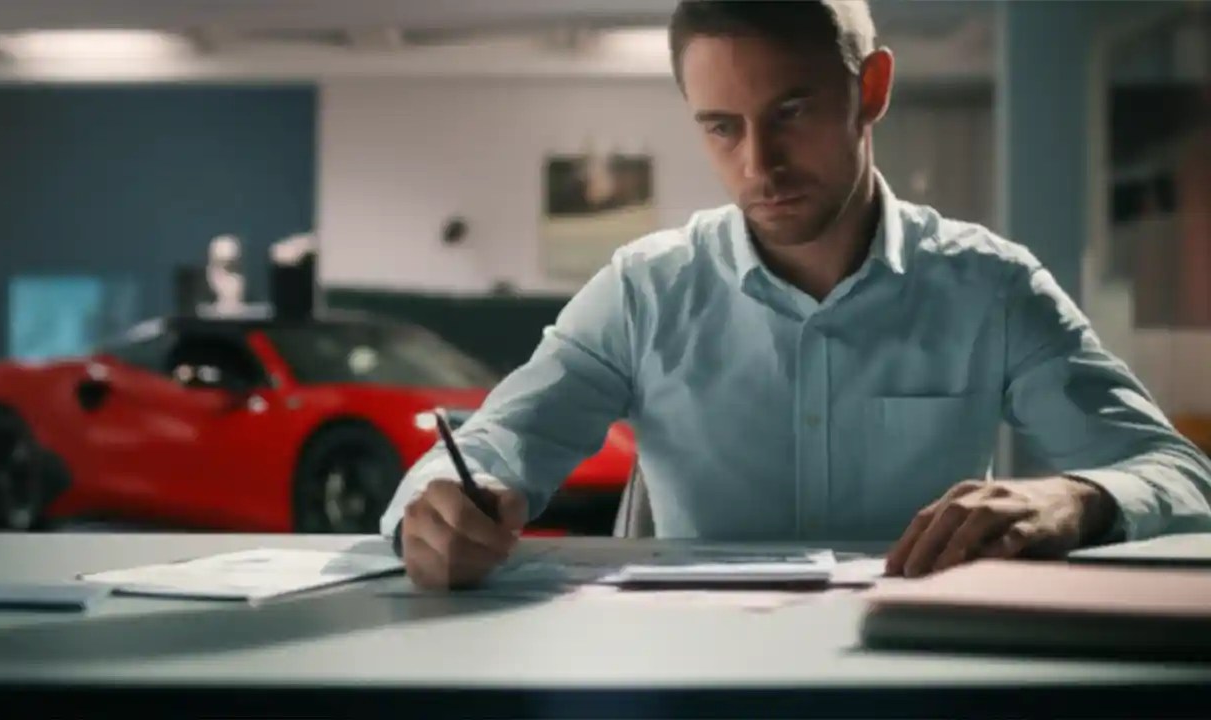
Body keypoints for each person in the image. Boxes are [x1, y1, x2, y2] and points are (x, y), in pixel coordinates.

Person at [381, 0, 1211, 589]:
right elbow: (483, 451)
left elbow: (1181, 477)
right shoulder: (644, 290)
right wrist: (440, 511)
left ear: (872, 89)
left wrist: (1077, 496)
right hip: (694, 681)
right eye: (721, 127)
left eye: (792, 112)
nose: (758, 166)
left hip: (911, 679)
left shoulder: (988, 287)